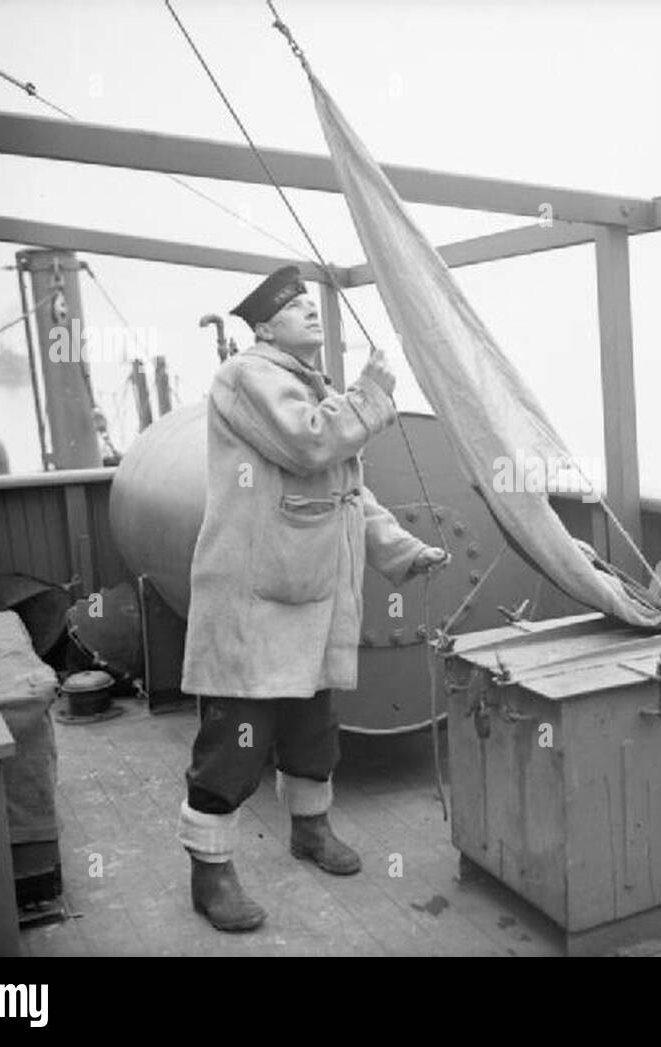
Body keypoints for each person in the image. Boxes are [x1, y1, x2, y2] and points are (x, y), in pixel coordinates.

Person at [176, 266, 449, 932]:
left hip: (307, 603)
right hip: (253, 605)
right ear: (265, 328)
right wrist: (372, 394)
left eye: (309, 303)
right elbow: (309, 444)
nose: (309, 312)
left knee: (312, 729)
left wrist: (401, 551)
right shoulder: (248, 378)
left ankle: (310, 829)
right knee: (235, 745)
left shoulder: (313, 389)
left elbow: (347, 494)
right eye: (295, 307)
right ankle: (209, 873)